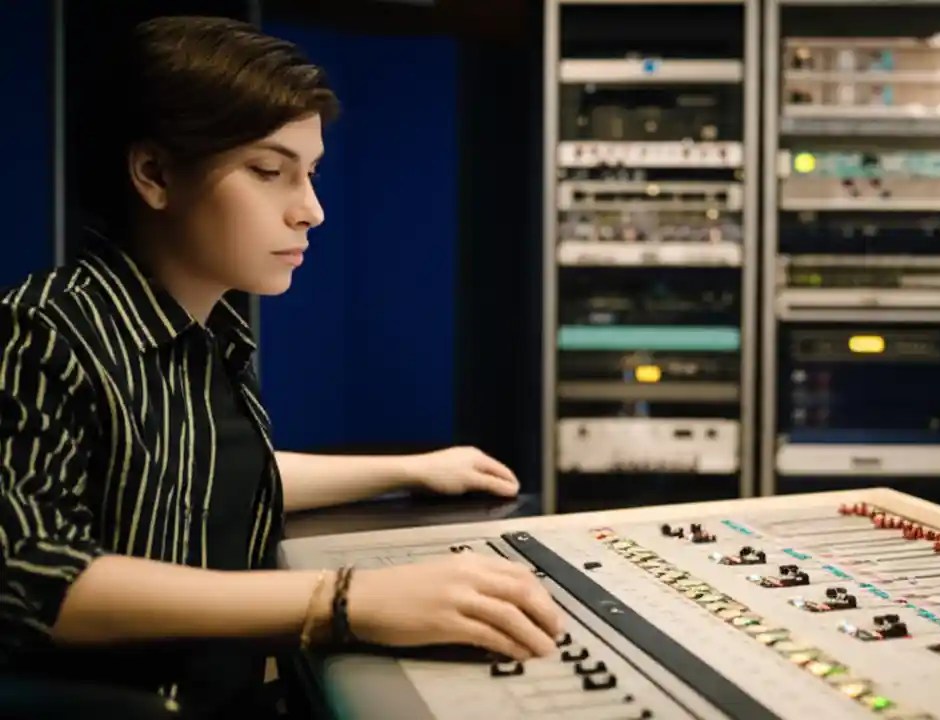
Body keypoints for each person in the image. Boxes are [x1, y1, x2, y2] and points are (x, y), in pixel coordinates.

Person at [0, 15, 563, 719]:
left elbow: (206, 478)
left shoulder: (206, 331)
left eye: (311, 173)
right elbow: (30, 575)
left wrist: (410, 469)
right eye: (270, 172)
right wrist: (343, 601)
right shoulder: (44, 328)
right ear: (154, 173)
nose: (312, 211)